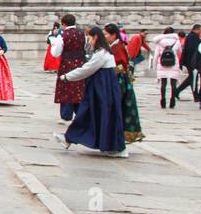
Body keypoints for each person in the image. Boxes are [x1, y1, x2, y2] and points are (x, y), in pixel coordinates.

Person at [54, 27, 125, 157]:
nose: (89, 41)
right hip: (100, 90)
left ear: (95, 38)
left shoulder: (102, 54)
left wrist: (67, 77)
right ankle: (68, 139)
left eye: (90, 38)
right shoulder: (103, 52)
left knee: (91, 115)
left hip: (102, 91)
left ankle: (69, 139)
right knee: (91, 116)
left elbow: (86, 69)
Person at [103, 24, 143, 142]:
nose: (104, 36)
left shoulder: (118, 47)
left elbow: (121, 66)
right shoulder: (113, 46)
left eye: (106, 34)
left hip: (119, 81)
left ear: (113, 35)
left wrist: (108, 71)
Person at [51, 13, 86, 119]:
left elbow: (56, 53)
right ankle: (80, 112)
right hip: (81, 63)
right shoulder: (82, 33)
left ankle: (66, 114)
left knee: (66, 88)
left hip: (67, 64)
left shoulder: (62, 35)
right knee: (79, 88)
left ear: (63, 23)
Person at [173, 25, 201, 103]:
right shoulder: (194, 37)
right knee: (194, 79)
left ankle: (177, 91)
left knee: (191, 78)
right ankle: (196, 96)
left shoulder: (191, 36)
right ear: (196, 29)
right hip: (192, 61)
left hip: (189, 61)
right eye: (200, 30)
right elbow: (193, 50)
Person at [153, 27, 182, 108]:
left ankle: (163, 100)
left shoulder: (160, 41)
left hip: (162, 64)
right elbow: (180, 52)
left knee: (163, 84)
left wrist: (155, 66)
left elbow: (156, 55)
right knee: (173, 84)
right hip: (173, 63)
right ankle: (172, 101)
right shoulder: (177, 41)